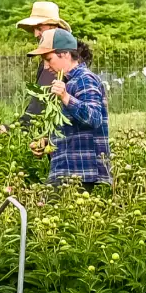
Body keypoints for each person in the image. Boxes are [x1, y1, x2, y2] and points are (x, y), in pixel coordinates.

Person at [31, 28, 111, 187]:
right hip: (65, 171)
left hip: (82, 173)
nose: (46, 66)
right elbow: (73, 128)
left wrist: (66, 97)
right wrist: (48, 142)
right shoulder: (67, 83)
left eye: (49, 59)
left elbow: (95, 118)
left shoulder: (84, 79)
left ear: (65, 54)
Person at [13, 0, 69, 128]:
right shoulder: (44, 63)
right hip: (41, 129)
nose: (35, 34)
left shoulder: (68, 63)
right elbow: (38, 103)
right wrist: (17, 126)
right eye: (34, 29)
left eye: (39, 28)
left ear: (54, 28)